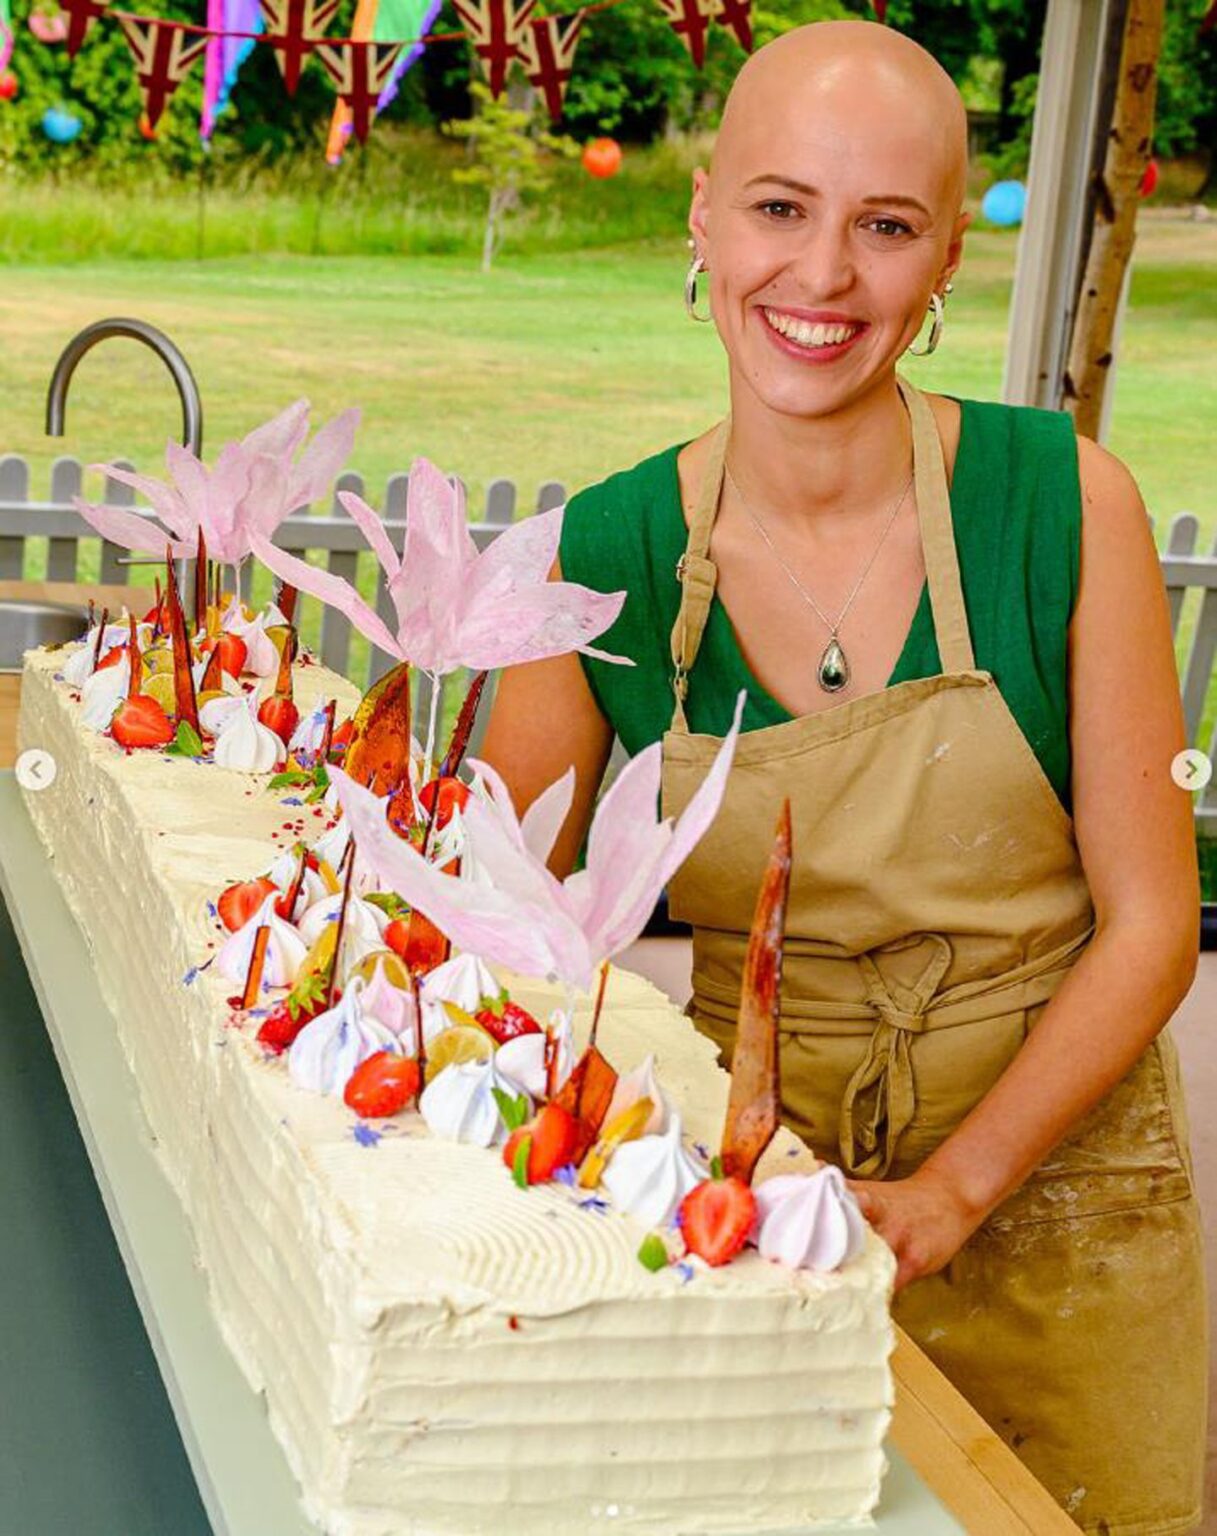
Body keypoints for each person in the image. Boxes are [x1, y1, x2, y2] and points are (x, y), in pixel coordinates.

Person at [480, 19, 1207, 1535]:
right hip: (751, 1209)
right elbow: (497, 930)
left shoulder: (1062, 503)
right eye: (777, 207)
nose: (820, 278)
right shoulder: (598, 560)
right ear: (702, 213)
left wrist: (958, 1189)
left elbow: (1150, 924)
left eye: (883, 226)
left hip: (1063, 1195)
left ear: (948, 252)